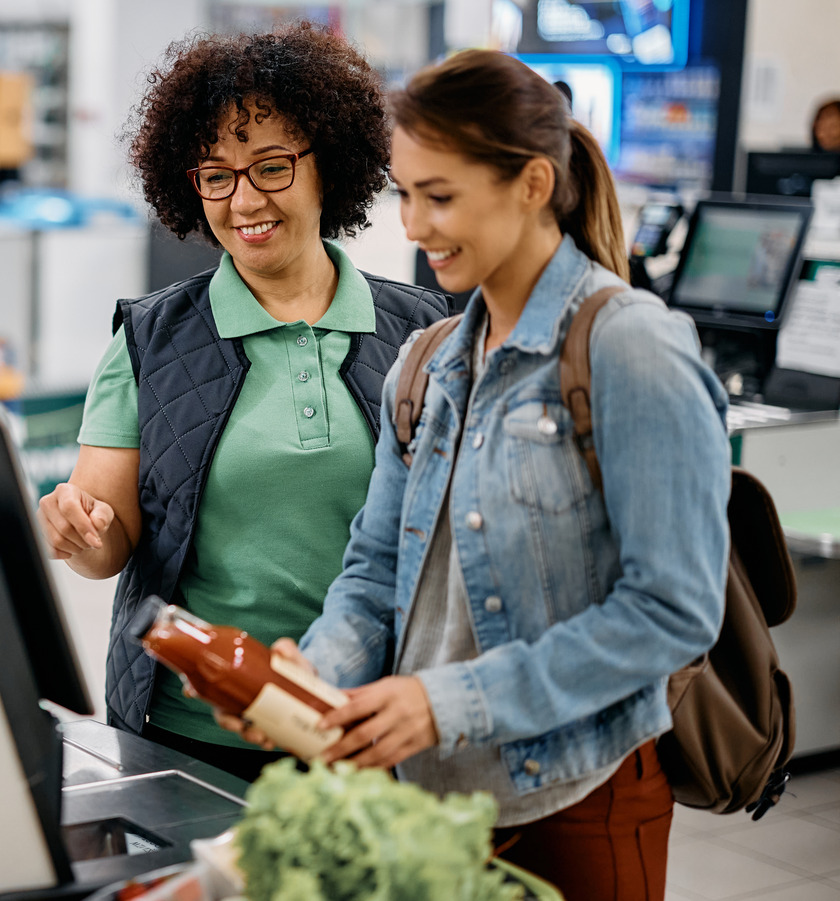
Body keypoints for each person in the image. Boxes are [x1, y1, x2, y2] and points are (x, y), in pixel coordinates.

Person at [218, 50, 729, 899]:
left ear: (533, 184)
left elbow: (671, 610)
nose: (414, 227)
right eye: (405, 194)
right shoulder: (424, 365)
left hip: (577, 800)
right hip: (429, 807)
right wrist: (310, 677)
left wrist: (445, 701)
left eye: (441, 196)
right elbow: (376, 570)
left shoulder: (628, 346)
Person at [37, 23, 448, 782]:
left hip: (371, 728)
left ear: (332, 165)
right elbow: (110, 543)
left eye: (272, 166)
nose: (245, 200)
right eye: (217, 175)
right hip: (193, 732)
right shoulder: (152, 340)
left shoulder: (423, 332)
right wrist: (79, 529)